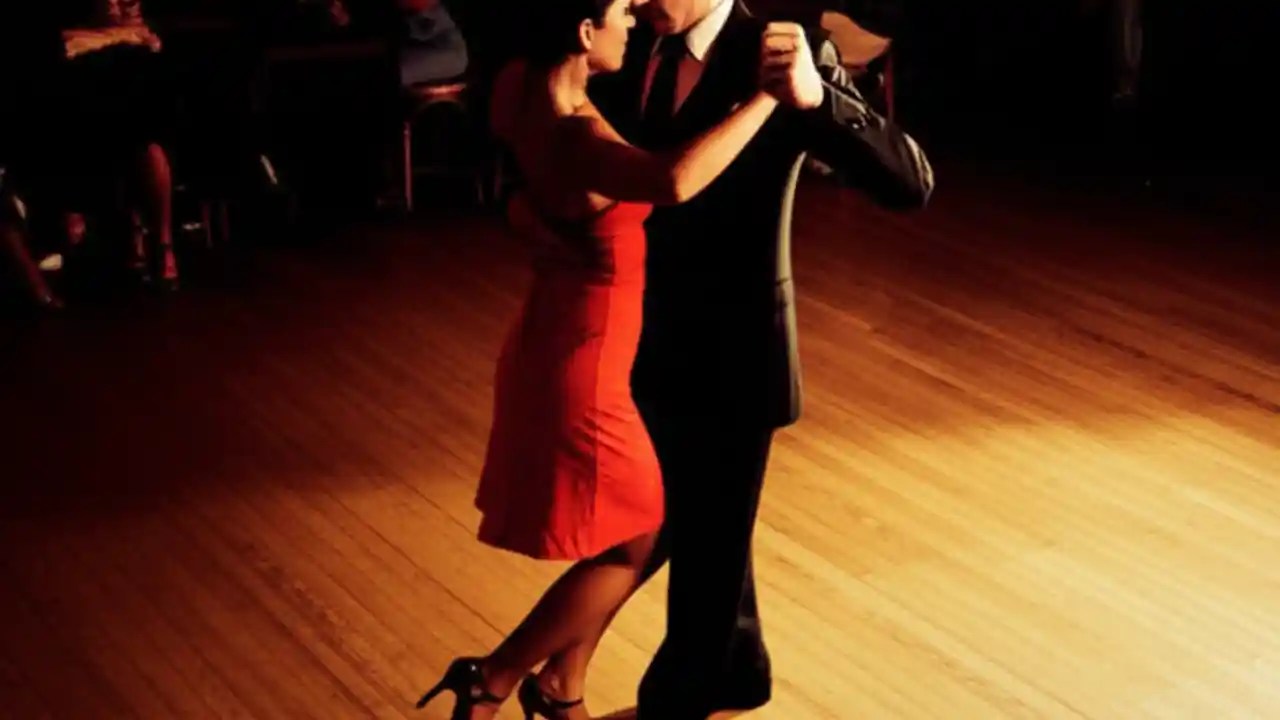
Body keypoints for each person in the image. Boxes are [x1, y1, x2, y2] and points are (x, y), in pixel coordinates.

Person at [413, 1, 788, 718]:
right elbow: (673, 180)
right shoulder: (576, 132)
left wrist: (530, 213)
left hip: (562, 335)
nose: (634, 18)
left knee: (634, 524)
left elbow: (518, 175)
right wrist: (767, 97)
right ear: (583, 31)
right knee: (636, 541)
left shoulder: (520, 87)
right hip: (588, 362)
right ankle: (491, 676)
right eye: (618, 9)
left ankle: (559, 689)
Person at [586, 1, 935, 717]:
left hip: (736, 346)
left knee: (700, 544)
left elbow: (911, 184)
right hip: (636, 333)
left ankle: (667, 698)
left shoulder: (782, 49)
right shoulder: (636, 48)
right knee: (701, 521)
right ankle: (736, 673)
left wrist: (817, 98)